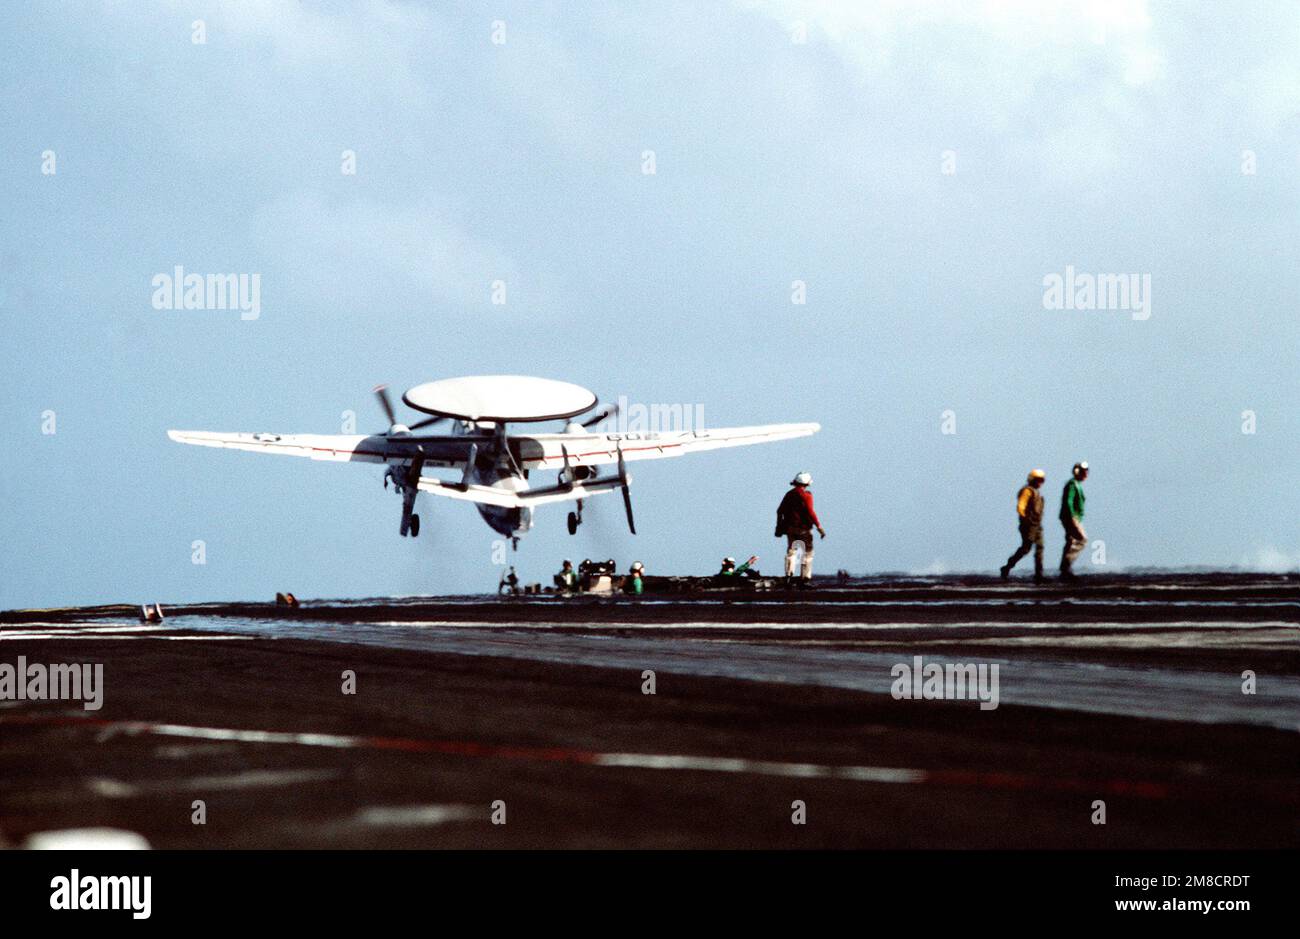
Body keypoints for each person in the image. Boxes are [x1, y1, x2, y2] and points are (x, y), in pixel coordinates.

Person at [775, 471, 825, 586]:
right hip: (804, 528)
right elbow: (810, 512)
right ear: (807, 484)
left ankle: (788, 577)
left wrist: (778, 527)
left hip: (790, 528)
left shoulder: (789, 494)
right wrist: (819, 527)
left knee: (791, 552)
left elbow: (779, 511)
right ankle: (805, 579)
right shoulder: (806, 496)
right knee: (807, 553)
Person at [1001, 470, 1046, 581]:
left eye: (1042, 480)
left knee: (1040, 547)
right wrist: (1026, 520)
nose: (1040, 482)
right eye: (1038, 480)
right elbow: (1021, 506)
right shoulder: (1027, 491)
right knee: (1026, 548)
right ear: (1032, 479)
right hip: (1029, 525)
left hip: (1037, 526)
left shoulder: (1036, 492)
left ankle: (1039, 575)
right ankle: (1007, 567)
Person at [1059, 461, 1089, 579]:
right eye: (1083, 471)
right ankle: (1065, 567)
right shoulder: (1072, 485)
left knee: (1071, 541)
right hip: (1071, 518)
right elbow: (1068, 501)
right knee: (1082, 539)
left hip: (1074, 517)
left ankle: (1065, 571)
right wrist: (1072, 517)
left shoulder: (1077, 484)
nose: (1086, 474)